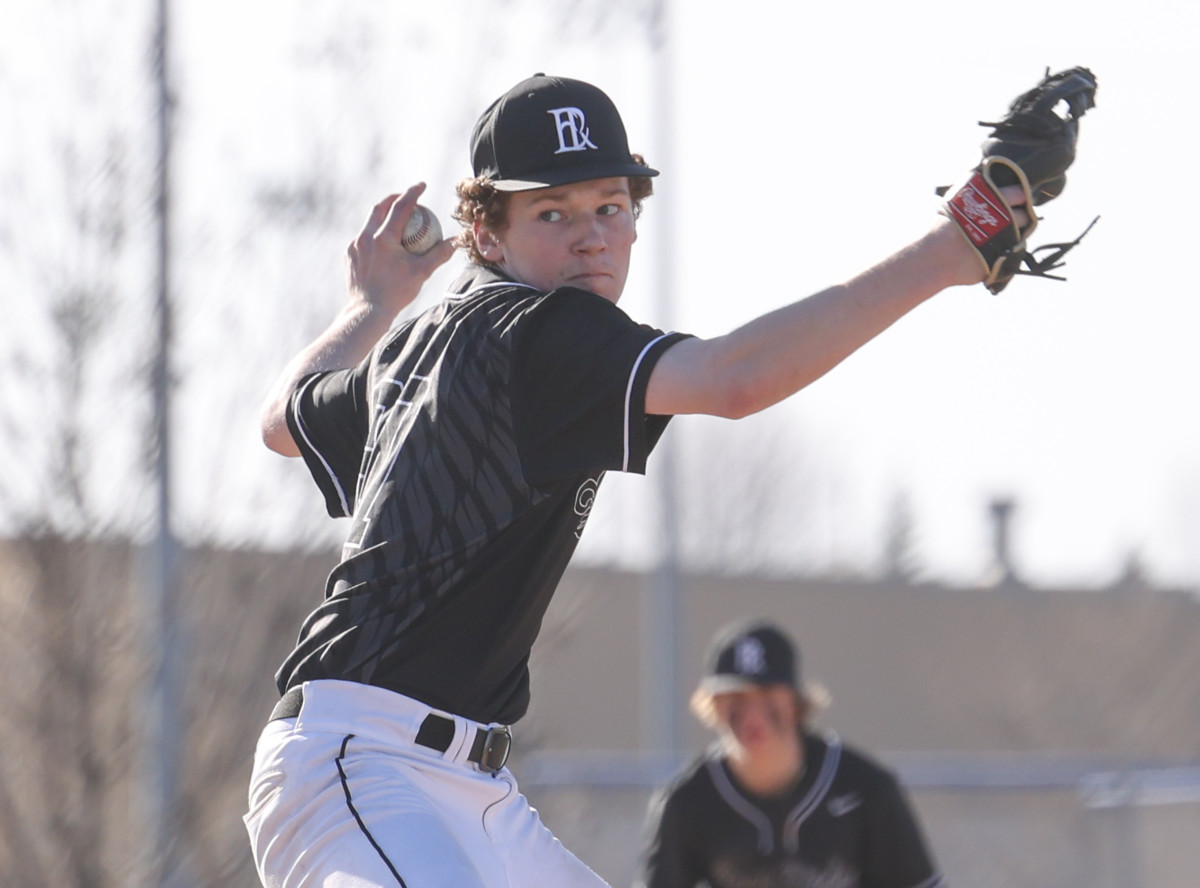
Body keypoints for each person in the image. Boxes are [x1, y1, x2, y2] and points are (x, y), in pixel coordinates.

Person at [244, 71, 1040, 888]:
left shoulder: (425, 339)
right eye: (552, 212)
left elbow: (283, 419)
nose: (591, 236)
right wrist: (955, 244)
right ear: (485, 232)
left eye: (610, 207)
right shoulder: (543, 331)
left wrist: (372, 302)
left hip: (457, 788)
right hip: (362, 768)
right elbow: (735, 379)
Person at [638, 619, 947, 888]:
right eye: (735, 697)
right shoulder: (687, 801)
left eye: (767, 694)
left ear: (797, 702)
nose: (752, 714)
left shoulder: (865, 788)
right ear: (713, 706)